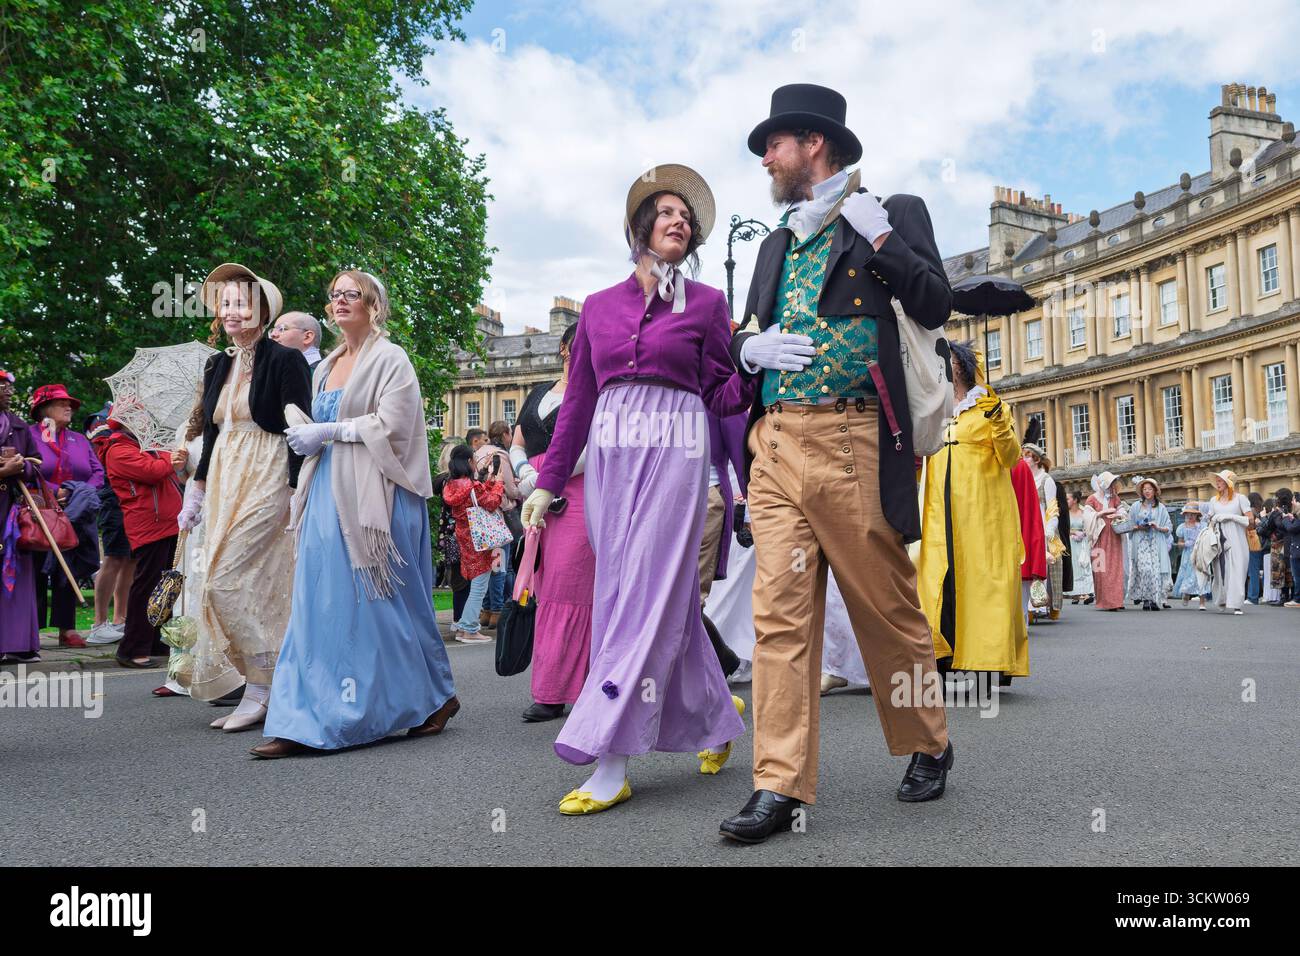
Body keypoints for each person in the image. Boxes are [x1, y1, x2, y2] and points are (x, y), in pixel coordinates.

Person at [718, 84, 952, 845]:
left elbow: (936, 305)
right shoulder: (774, 242)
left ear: (814, 144)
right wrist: (746, 349)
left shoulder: (892, 211)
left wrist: (882, 242)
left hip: (855, 441)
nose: (765, 158)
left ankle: (929, 740)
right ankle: (777, 784)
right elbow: (744, 335)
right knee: (779, 621)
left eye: (774, 144)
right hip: (778, 445)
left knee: (887, 613)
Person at [521, 162, 750, 815]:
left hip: (677, 446)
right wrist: (548, 481)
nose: (679, 222)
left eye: (688, 218)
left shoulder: (707, 305)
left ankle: (609, 760)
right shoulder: (598, 308)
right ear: (642, 228)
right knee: (644, 592)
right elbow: (579, 404)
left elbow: (721, 393)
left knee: (636, 596)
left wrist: (753, 366)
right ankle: (713, 710)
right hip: (614, 456)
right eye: (668, 213)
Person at [251, 269, 459, 758]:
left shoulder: (392, 358)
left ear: (373, 304)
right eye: (335, 295)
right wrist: (304, 427)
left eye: (352, 294)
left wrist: (329, 432)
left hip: (379, 494)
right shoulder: (324, 366)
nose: (341, 301)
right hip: (326, 489)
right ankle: (301, 717)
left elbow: (396, 427)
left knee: (385, 603)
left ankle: (427, 699)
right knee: (318, 600)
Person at [180, 262, 311, 730]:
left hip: (269, 468)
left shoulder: (285, 359)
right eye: (225, 303)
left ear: (261, 309)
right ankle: (261, 682)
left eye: (240, 302)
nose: (230, 311)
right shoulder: (218, 363)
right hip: (224, 474)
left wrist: (297, 487)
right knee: (217, 578)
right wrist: (194, 492)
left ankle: (263, 685)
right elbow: (213, 436)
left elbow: (299, 425)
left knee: (228, 579)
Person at [916, 341, 1026, 684]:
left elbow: (1010, 457)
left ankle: (985, 660)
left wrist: (997, 421)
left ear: (961, 366)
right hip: (938, 510)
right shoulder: (936, 406)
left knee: (981, 579)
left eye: (947, 359)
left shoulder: (990, 407)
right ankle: (941, 659)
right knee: (939, 579)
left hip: (981, 513)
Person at [510, 323, 595, 722]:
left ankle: (563, 690)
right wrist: (524, 470)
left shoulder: (597, 394)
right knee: (543, 585)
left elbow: (594, 447)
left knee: (569, 586)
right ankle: (552, 686)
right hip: (535, 495)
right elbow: (518, 441)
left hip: (577, 494)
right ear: (563, 348)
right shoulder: (539, 391)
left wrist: (548, 480)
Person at [92, 417, 184, 668]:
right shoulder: (118, 449)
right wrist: (170, 457)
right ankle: (131, 648)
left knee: (165, 586)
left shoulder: (145, 447)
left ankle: (155, 641)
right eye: (141, 420)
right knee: (147, 586)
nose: (148, 423)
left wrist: (167, 456)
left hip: (166, 522)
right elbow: (153, 472)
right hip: (149, 524)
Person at [26, 384, 103, 648]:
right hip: (37, 513)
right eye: (62, 403)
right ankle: (30, 630)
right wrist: (54, 492)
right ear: (44, 409)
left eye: (70, 403)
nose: (69, 407)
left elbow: (98, 473)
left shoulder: (79, 440)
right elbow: (27, 471)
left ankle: (67, 628)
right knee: (35, 569)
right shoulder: (29, 436)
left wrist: (76, 492)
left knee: (67, 567)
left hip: (74, 515)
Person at [82, 405, 135, 645]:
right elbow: (101, 450)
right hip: (113, 496)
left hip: (135, 498)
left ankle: (120, 619)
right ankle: (99, 623)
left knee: (131, 560)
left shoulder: (138, 420)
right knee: (114, 557)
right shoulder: (103, 419)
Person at [441, 444, 504, 643]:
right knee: (479, 585)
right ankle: (469, 628)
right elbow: (492, 502)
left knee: (474, 582)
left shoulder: (451, 485)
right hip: (481, 537)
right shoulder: (472, 486)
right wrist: (500, 484)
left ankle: (463, 627)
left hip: (464, 537)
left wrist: (490, 483)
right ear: (469, 461)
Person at [0, 366, 41, 663]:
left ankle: (18, 644)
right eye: (2, 386)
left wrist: (22, 467)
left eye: (9, 387)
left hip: (12, 512)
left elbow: (38, 464)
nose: (8, 391)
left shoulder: (19, 425)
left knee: (17, 574)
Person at [476, 425, 520, 630]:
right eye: (510, 434)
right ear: (504, 434)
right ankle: (498, 611)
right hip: (500, 516)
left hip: (480, 516)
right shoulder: (501, 455)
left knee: (488, 565)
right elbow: (510, 490)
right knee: (501, 566)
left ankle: (485, 611)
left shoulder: (477, 454)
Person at [1020, 433, 1064, 621]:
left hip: (1043, 528)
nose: (1024, 458)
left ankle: (1038, 607)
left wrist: (1048, 532)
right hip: (1028, 526)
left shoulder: (1047, 480)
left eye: (1027, 455)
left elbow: (1052, 508)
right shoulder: (1024, 479)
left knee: (1040, 569)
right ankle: (1027, 608)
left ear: (1036, 459)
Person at [1116, 477, 1172, 610]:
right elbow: (1130, 525)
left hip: (1156, 542)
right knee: (1145, 569)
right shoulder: (1136, 506)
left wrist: (1157, 527)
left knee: (1156, 571)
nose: (1147, 491)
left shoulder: (1161, 507)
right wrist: (1139, 527)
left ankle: (1154, 599)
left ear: (1155, 491)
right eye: (1144, 489)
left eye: (1149, 489)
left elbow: (1168, 527)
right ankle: (1146, 598)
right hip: (1141, 542)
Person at [1205, 470, 1252, 615]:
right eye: (1217, 481)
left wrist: (1231, 517)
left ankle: (1237, 604)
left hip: (1237, 539)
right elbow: (1210, 521)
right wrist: (1211, 521)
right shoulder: (1214, 500)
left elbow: (1251, 520)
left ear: (1228, 483)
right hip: (1220, 538)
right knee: (1220, 570)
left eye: (1221, 481)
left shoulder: (1240, 498)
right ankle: (1222, 600)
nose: (1218, 483)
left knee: (1237, 569)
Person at [1083, 471, 1127, 611]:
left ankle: (1115, 601)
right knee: (1100, 568)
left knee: (1115, 567)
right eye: (1110, 483)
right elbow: (1086, 516)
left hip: (1113, 535)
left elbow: (1123, 512)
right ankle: (1103, 601)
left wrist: (1118, 514)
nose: (1112, 486)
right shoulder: (1092, 499)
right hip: (1099, 537)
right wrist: (1100, 514)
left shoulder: (1115, 498)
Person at [1173, 502, 1208, 608]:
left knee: (1200, 576)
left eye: (1193, 514)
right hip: (1187, 555)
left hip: (1199, 553)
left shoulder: (1202, 526)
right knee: (1188, 576)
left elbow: (1206, 539)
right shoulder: (1182, 527)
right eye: (1188, 514)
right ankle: (1186, 595)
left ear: (1197, 515)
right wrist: (1184, 544)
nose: (1190, 516)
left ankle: (1202, 602)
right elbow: (1179, 543)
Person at [1065, 490, 1094, 604]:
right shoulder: (1065, 514)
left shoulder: (1083, 512)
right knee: (1073, 567)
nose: (1066, 501)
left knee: (1084, 566)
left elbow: (1090, 527)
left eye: (1068, 499)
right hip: (1070, 543)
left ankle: (1086, 593)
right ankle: (1075, 593)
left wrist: (1084, 533)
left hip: (1082, 543)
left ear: (1075, 500)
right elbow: (1062, 528)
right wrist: (1073, 533)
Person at [1245, 492, 1267, 605]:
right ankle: (1253, 596)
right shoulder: (1260, 513)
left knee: (1252, 572)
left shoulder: (1249, 513)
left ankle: (1252, 597)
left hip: (1251, 544)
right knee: (1254, 571)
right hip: (1257, 544)